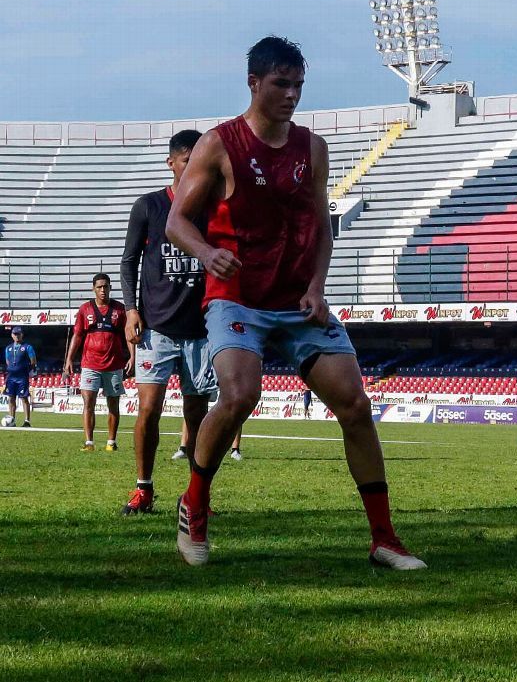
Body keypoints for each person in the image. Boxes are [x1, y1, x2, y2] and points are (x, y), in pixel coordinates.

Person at [166, 36, 424, 569]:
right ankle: (194, 504)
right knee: (239, 396)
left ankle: (383, 538)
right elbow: (176, 223)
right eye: (281, 83)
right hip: (237, 299)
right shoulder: (220, 144)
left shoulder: (313, 148)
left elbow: (322, 226)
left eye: (299, 84)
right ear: (254, 83)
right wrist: (208, 251)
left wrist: (317, 287)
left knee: (355, 404)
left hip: (299, 301)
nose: (292, 94)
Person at [120, 129, 217, 515]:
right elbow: (129, 261)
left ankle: (195, 494)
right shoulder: (149, 206)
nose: (194, 166)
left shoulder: (214, 207)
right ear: (172, 162)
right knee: (149, 410)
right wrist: (130, 309)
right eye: (187, 159)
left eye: (199, 159)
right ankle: (144, 488)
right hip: (156, 327)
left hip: (201, 330)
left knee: (198, 415)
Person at [64, 274, 131, 452]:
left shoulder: (120, 309)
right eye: (100, 287)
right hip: (90, 364)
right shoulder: (85, 309)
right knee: (88, 403)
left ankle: (111, 442)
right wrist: (69, 359)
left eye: (106, 286)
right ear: (93, 288)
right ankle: (89, 443)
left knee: (113, 405)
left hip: (114, 365)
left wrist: (133, 356)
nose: (103, 290)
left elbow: (128, 334)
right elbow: (77, 335)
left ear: (110, 288)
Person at [5, 326, 37, 427]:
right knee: (11, 398)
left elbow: (33, 361)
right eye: (15, 334)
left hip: (22, 377)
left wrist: (27, 370)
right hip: (11, 377)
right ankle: (12, 420)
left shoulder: (27, 347)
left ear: (22, 335)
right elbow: (7, 361)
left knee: (24, 398)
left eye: (18, 334)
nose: (17, 336)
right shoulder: (8, 348)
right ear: (12, 335)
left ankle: (27, 421)